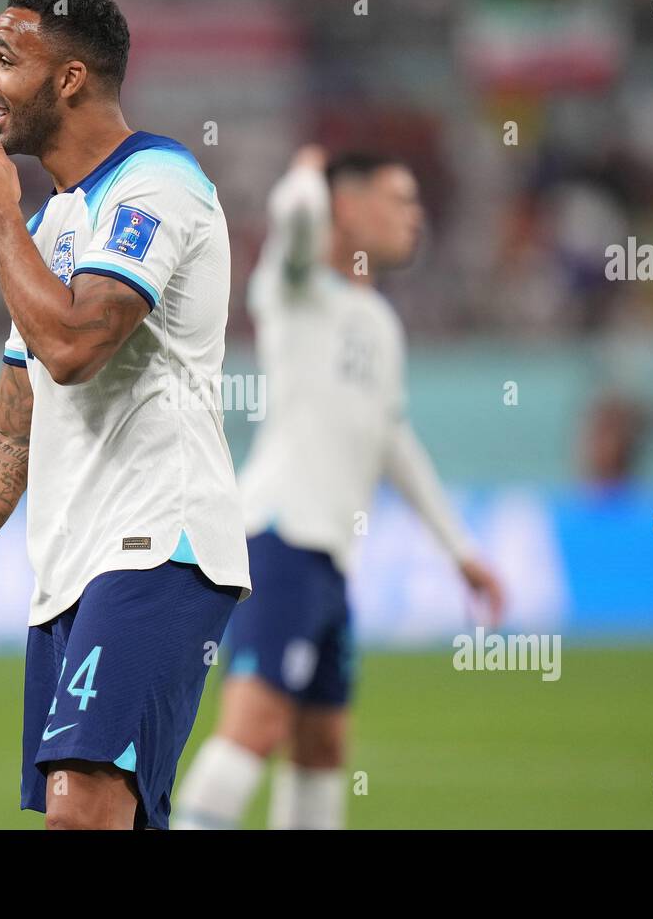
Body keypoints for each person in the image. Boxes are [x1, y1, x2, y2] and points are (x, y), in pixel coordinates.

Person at [0, 0, 251, 830]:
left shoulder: (156, 185)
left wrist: (1, 223)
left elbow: (73, 349)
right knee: (113, 818)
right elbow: (9, 431)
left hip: (157, 546)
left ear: (70, 79)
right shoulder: (61, 223)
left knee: (82, 814)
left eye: (5, 59)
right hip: (70, 569)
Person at [174, 146, 504, 830]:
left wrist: (460, 549)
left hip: (330, 558)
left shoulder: (379, 323)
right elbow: (294, 222)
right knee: (255, 725)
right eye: (400, 200)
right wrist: (303, 173)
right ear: (348, 208)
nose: (415, 218)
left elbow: (390, 440)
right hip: (279, 539)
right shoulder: (294, 290)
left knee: (323, 747)